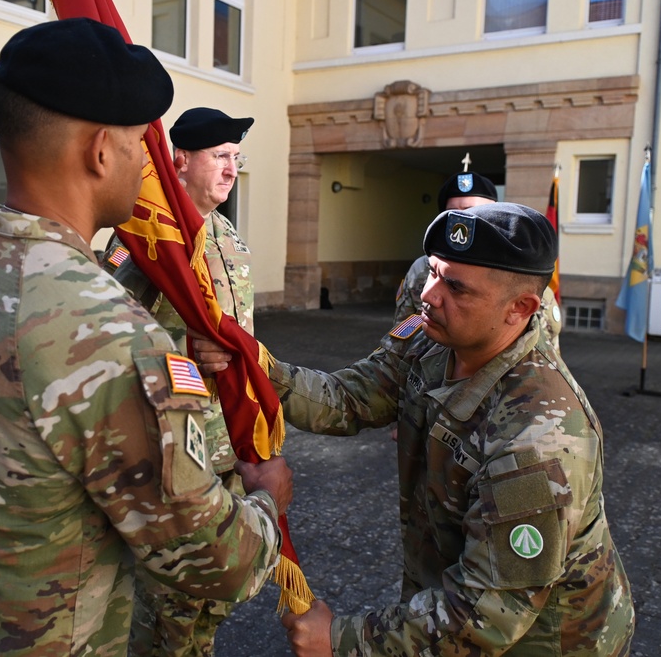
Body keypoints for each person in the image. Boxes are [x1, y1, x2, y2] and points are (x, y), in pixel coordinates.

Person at [0, 18, 292, 656]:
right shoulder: (103, 328)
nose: (149, 166)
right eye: (141, 145)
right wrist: (268, 499)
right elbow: (215, 562)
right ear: (101, 151)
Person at [201, 203, 634, 655]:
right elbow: (351, 397)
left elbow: (484, 613)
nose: (429, 294)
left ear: (519, 308)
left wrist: (340, 641)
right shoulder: (429, 339)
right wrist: (253, 368)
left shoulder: (539, 439)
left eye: (455, 287)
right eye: (433, 272)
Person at [105, 106, 257, 657]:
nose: (232, 168)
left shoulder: (227, 235)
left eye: (236, 157)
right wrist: (186, 353)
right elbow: (111, 341)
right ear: (181, 160)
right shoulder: (147, 238)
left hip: (228, 443)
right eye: (220, 156)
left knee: (215, 591)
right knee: (169, 605)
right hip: (176, 450)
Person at [394, 171, 563, 347]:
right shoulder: (420, 268)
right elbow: (404, 332)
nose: (461, 223)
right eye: (452, 212)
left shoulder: (523, 280)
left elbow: (543, 347)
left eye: (472, 211)